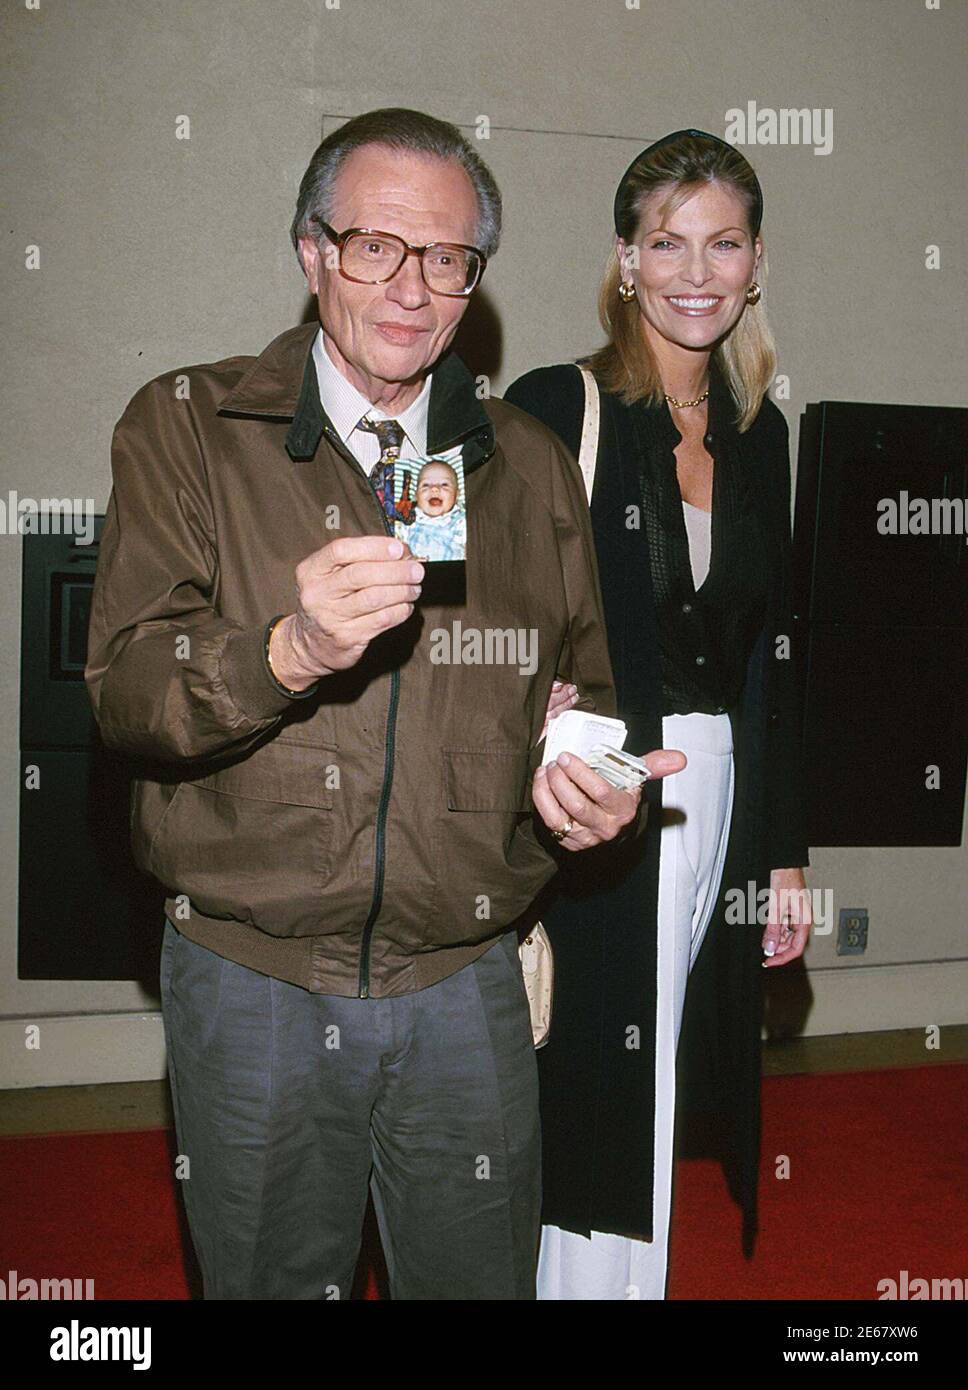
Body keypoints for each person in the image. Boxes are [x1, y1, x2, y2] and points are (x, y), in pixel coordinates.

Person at [84, 107, 683, 1301]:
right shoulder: (190, 425)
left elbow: (581, 686)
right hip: (253, 977)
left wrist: (582, 784)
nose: (413, 289)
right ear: (312, 251)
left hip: (464, 980)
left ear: (476, 278)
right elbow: (128, 696)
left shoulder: (522, 461)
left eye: (449, 258)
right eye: (375, 247)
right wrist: (288, 648)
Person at [505, 128, 812, 1300]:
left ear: (753, 261)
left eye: (721, 243)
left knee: (659, 1077)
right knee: (596, 1079)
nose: (696, 270)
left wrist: (781, 855)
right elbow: (474, 604)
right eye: (666, 242)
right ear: (624, 260)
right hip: (598, 786)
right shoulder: (555, 403)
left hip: (716, 784)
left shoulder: (757, 433)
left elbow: (769, 661)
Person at [401, 458, 466, 560]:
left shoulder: (460, 521)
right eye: (425, 485)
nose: (434, 488)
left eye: (444, 484)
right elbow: (400, 551)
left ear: (457, 495)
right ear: (416, 495)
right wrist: (409, 559)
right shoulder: (408, 521)